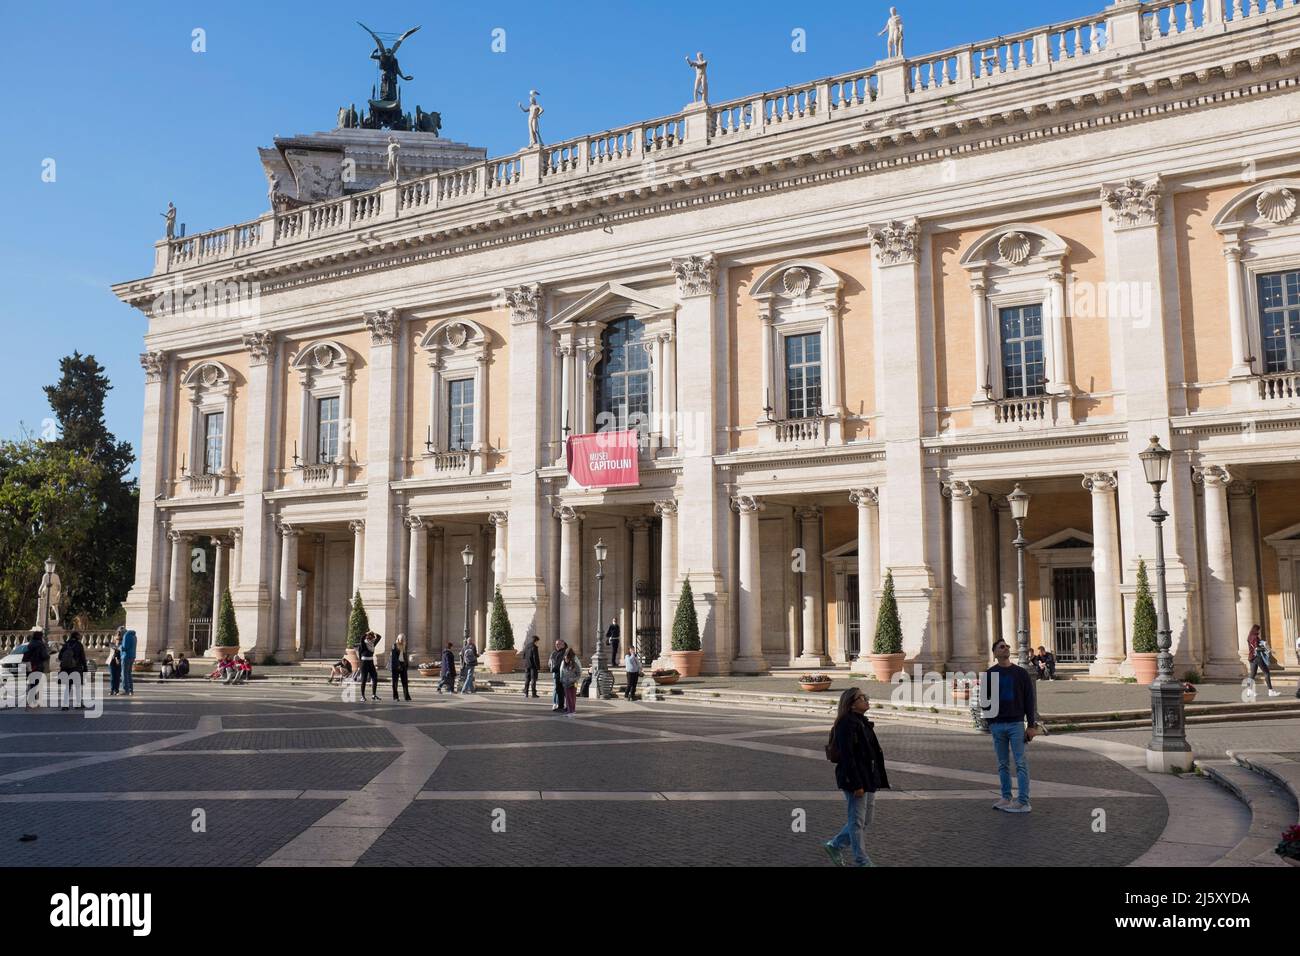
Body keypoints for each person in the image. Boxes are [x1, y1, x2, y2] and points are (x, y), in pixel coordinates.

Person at [823, 687, 890, 867]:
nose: (866, 699)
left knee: (865, 820)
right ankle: (862, 861)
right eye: (861, 697)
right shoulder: (846, 723)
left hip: (868, 778)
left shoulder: (862, 721)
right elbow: (848, 756)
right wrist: (856, 784)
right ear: (851, 704)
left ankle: (835, 845)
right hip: (855, 779)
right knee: (857, 821)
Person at [985, 639, 1039, 813]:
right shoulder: (990, 674)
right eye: (1002, 647)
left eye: (1007, 646)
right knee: (1002, 764)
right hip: (998, 725)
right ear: (995, 653)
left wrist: (1031, 725)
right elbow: (985, 701)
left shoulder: (1021, 673)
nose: (1006, 648)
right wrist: (990, 723)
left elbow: (1029, 701)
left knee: (1021, 763)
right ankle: (1006, 797)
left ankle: (1023, 801)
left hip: (1016, 724)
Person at [57, 630, 88, 710]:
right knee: (77, 687)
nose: (80, 637)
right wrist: (85, 667)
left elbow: (60, 657)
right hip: (76, 668)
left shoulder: (66, 645)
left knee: (67, 687)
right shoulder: (79, 645)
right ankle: (78, 704)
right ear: (76, 636)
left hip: (66, 668)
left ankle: (65, 705)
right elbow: (82, 657)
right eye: (79, 635)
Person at [1247, 625, 1281, 697]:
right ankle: (1270, 691)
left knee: (1252, 674)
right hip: (1257, 657)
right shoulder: (1255, 637)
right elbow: (1257, 648)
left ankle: (1249, 691)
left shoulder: (1249, 637)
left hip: (1251, 657)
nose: (1259, 631)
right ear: (1256, 630)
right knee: (1266, 672)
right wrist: (1267, 650)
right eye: (1259, 630)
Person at [22, 629, 50, 708]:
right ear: (40, 637)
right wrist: (48, 655)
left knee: (31, 682)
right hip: (37, 666)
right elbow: (44, 656)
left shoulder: (30, 644)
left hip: (29, 666)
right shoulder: (40, 644)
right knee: (36, 683)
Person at [559, 647, 582, 716]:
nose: (565, 659)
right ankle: (570, 710)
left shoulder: (574, 664)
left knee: (571, 696)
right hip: (566, 683)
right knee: (569, 697)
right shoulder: (565, 664)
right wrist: (562, 680)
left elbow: (579, 673)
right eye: (565, 658)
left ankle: (571, 710)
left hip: (573, 682)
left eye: (566, 658)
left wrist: (573, 679)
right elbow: (562, 672)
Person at [358, 632, 380, 701]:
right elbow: (361, 638)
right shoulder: (364, 644)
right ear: (367, 637)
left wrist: (374, 633)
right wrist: (366, 633)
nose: (371, 639)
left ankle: (374, 695)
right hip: (364, 663)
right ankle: (362, 696)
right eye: (369, 637)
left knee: (375, 677)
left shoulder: (372, 644)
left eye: (372, 637)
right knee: (364, 679)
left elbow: (379, 637)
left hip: (371, 662)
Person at [548, 639, 568, 712]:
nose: (557, 645)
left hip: (562, 674)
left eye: (559, 644)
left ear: (563, 645)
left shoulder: (564, 653)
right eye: (556, 644)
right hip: (557, 674)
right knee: (559, 691)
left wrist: (553, 669)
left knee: (563, 691)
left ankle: (566, 706)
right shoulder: (555, 652)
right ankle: (560, 705)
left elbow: (560, 664)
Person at [391, 636, 412, 702]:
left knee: (405, 681)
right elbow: (394, 657)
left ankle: (407, 696)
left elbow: (405, 656)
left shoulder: (404, 646)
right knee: (395, 682)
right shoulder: (394, 645)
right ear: (398, 639)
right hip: (396, 665)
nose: (403, 640)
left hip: (403, 665)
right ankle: (395, 697)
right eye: (402, 639)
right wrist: (398, 665)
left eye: (404, 639)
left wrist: (406, 664)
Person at [119, 626, 137, 696]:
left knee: (124, 674)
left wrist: (119, 647)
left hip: (126, 656)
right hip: (132, 656)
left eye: (120, 633)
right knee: (129, 674)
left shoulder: (126, 636)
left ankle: (125, 690)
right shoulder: (134, 636)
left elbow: (124, 648)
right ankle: (130, 690)